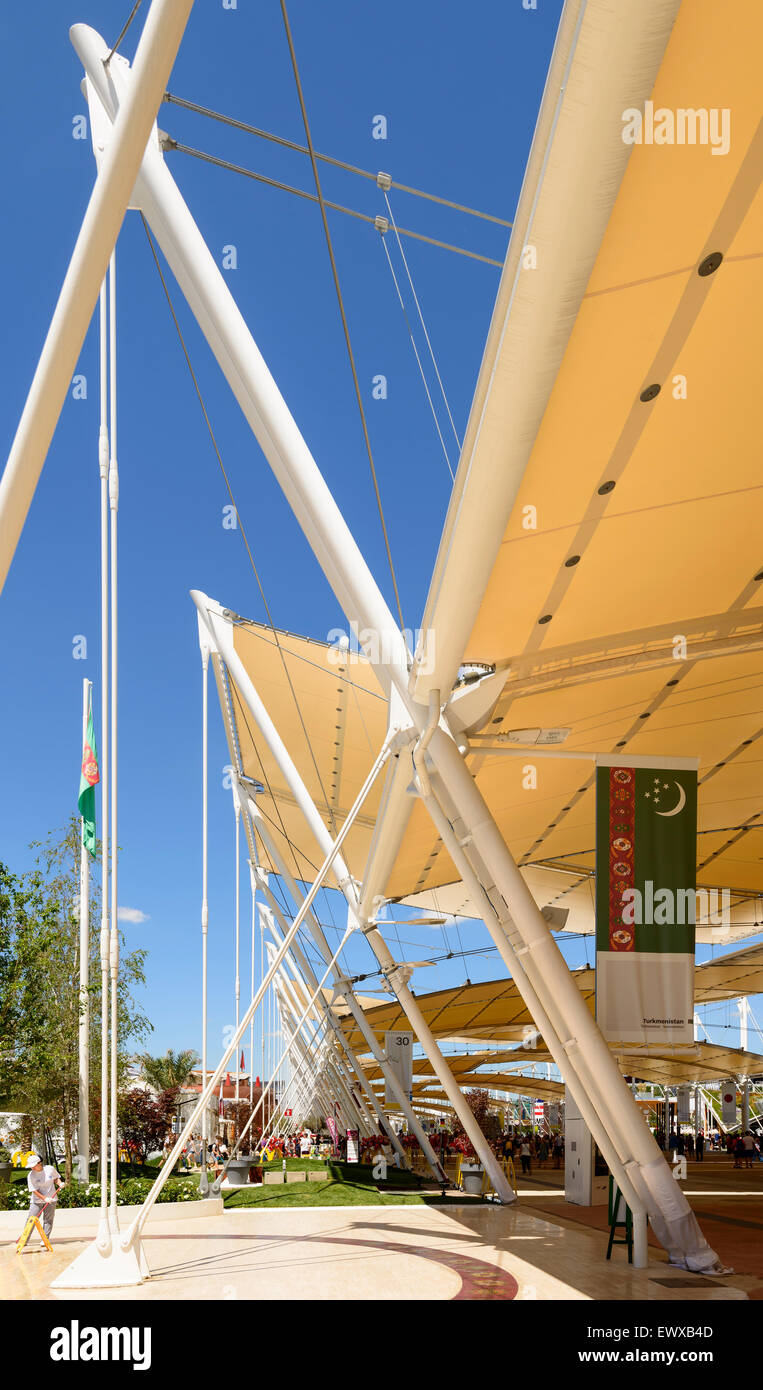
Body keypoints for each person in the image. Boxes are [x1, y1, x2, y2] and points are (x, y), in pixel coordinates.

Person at [26, 1154, 65, 1244]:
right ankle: (25, 1240)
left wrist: (60, 1183)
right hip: (37, 1201)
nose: (32, 1168)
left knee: (48, 1220)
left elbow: (56, 1178)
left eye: (33, 1166)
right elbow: (34, 1190)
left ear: (39, 1163)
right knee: (31, 1220)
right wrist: (44, 1198)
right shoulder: (31, 1175)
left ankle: (45, 1239)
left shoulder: (50, 1169)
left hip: (51, 1199)